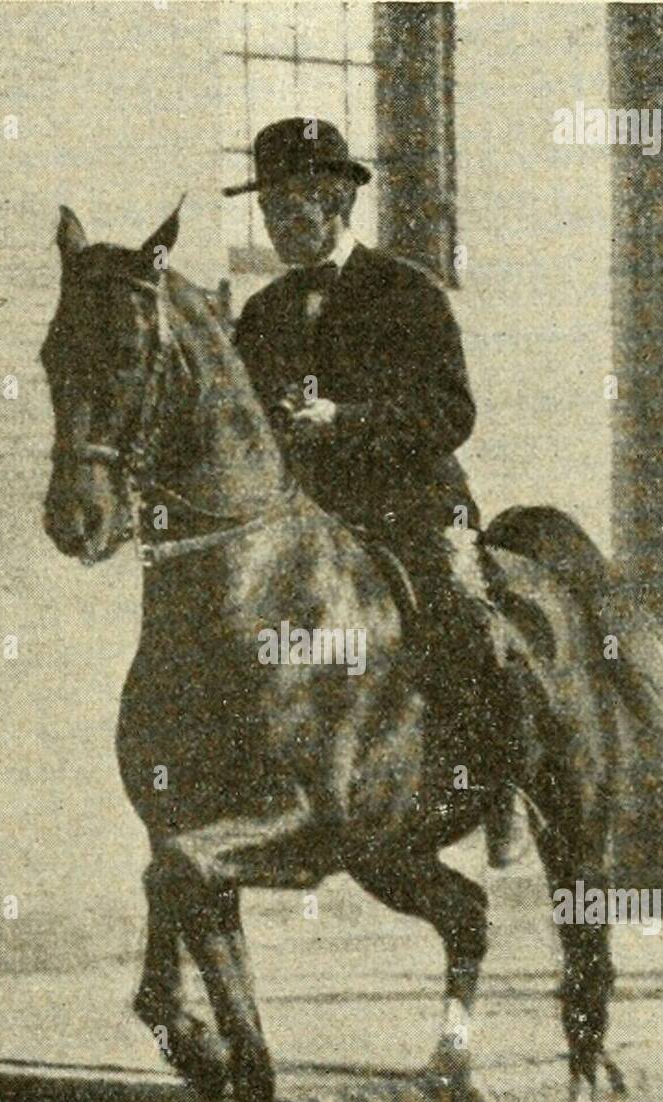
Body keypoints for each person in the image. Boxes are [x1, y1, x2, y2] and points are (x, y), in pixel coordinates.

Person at [225, 118, 526, 865]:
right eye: (268, 215)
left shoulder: (404, 292)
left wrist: (344, 420)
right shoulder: (260, 315)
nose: (279, 229)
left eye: (293, 213)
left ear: (334, 204)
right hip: (312, 522)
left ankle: (506, 782)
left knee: (460, 616)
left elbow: (450, 413)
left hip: (410, 507)